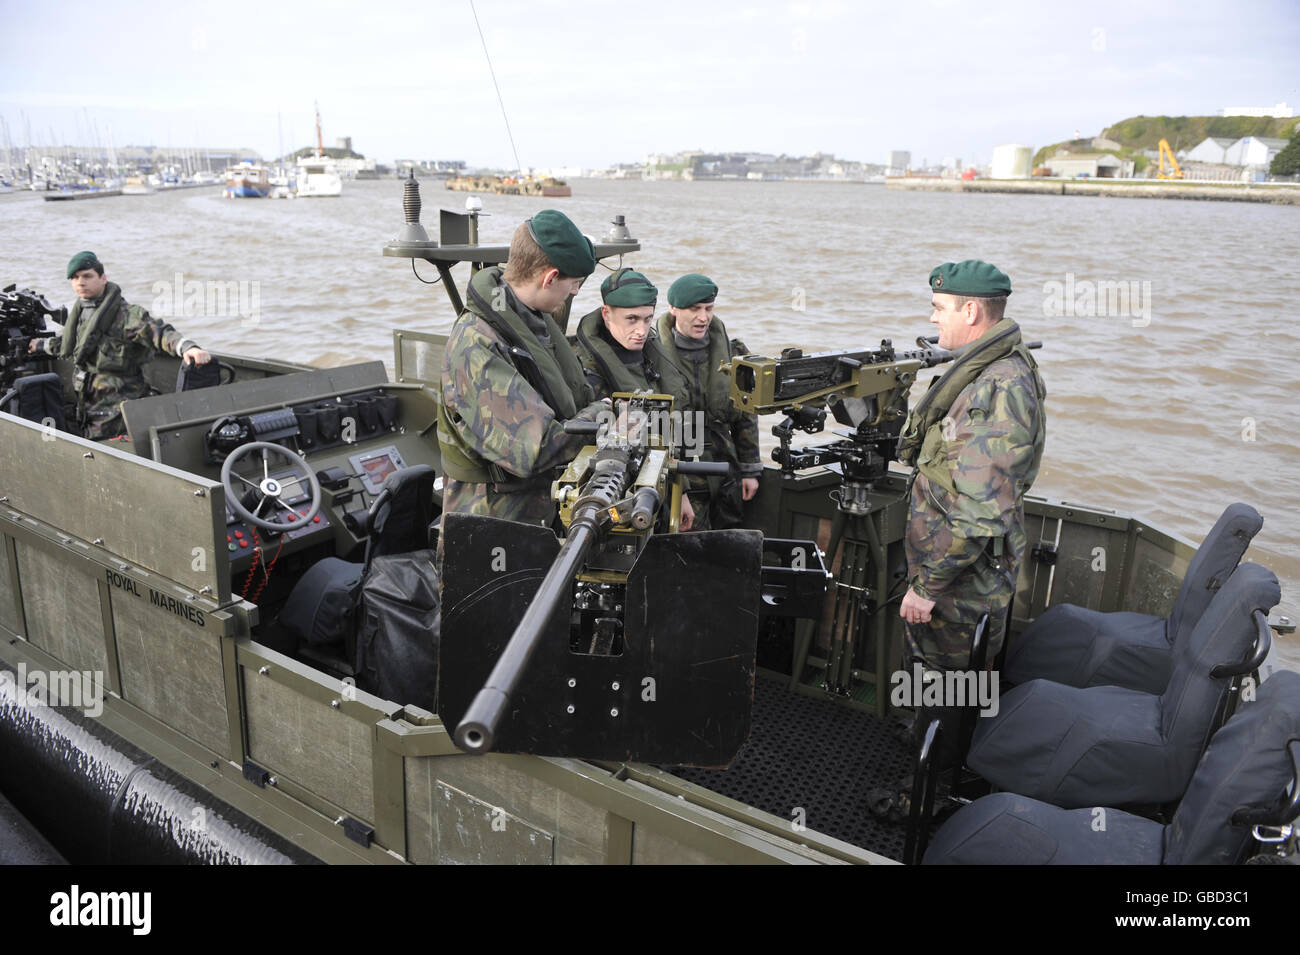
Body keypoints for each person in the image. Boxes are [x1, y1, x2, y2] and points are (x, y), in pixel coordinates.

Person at [870, 259, 1047, 819]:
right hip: (952, 566)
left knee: (949, 690)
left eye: (940, 309)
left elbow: (979, 513)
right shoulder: (990, 367)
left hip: (960, 580)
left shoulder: (1000, 387)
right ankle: (928, 745)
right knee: (938, 684)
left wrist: (927, 585)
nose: (933, 318)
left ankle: (928, 797)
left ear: (971, 311)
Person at [437, 210, 608, 526]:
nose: (575, 292)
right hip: (491, 519)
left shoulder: (530, 320)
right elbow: (537, 448)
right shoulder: (476, 345)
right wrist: (606, 416)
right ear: (550, 277)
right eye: (575, 283)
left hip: (539, 506)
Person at [30, 251, 211, 440]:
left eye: (87, 276)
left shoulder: (126, 315)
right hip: (89, 401)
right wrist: (39, 345)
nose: (80, 282)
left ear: (103, 278)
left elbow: (158, 332)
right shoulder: (81, 313)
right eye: (75, 278)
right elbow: (67, 344)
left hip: (118, 404)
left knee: (107, 450)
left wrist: (187, 347)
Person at [654, 273, 761, 530]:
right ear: (673, 309)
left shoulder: (732, 353)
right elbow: (655, 429)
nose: (703, 317)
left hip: (726, 465)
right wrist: (677, 491)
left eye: (708, 309)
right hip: (683, 467)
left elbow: (747, 414)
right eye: (694, 309)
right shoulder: (653, 357)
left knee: (731, 534)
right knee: (690, 540)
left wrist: (749, 470)